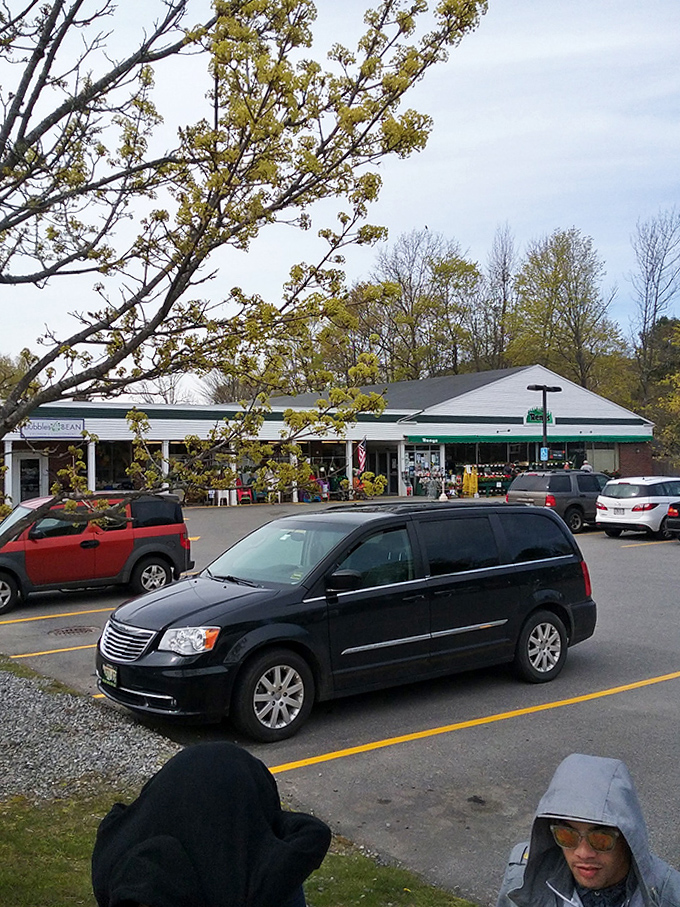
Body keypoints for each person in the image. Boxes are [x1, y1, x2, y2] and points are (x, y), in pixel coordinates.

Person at [92, 742, 331, 907]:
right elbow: (313, 835)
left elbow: (316, 835)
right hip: (187, 774)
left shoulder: (107, 875)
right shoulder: (243, 892)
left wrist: (262, 819)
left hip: (231, 775)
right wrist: (266, 824)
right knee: (282, 879)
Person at [496, 753, 680, 907]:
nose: (583, 853)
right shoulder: (523, 874)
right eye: (567, 836)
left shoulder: (669, 894)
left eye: (600, 839)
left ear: (628, 837)